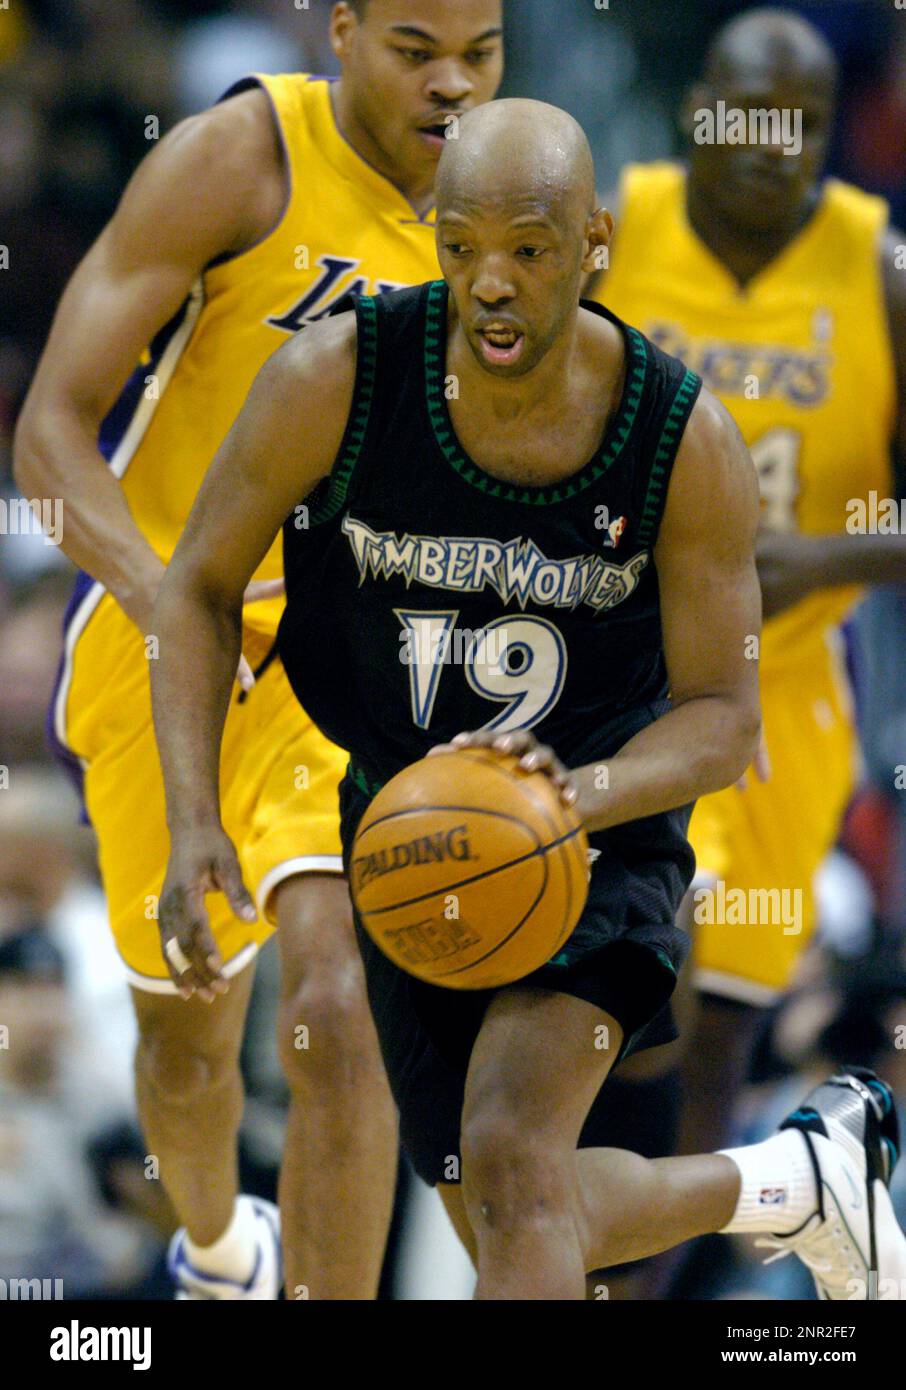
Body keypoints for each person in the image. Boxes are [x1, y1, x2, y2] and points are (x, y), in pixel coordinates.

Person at [149, 97, 905, 1300]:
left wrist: (576, 797)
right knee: (513, 1211)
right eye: (460, 248)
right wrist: (194, 820)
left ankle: (794, 1182)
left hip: (603, 845)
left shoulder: (678, 438)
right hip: (405, 836)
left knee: (513, 1160)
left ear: (597, 243)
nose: (488, 283)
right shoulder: (337, 381)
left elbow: (724, 720)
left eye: (530, 250)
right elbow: (195, 590)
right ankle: (796, 1182)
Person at [13, 0, 505, 1300]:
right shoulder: (241, 158)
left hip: (347, 658)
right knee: (188, 1051)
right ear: (339, 32)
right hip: (159, 627)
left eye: (482, 51)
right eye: (415, 50)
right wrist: (175, 597)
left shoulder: (509, 202)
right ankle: (222, 1251)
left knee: (342, 1007)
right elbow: (49, 437)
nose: (452, 85)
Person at [592, 7, 906, 1171]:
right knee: (646, 951)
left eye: (806, 124)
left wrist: (826, 560)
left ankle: (654, 1263)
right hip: (621, 658)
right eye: (750, 115)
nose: (776, 143)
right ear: (696, 113)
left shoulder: (875, 264)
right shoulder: (616, 228)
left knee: (719, 1037)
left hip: (791, 686)